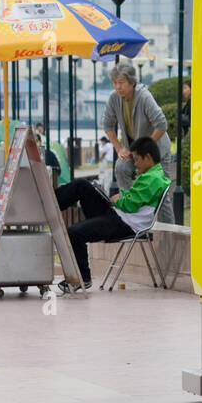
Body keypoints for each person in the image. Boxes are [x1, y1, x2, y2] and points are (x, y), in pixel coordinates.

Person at [52, 136, 169, 292]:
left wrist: (116, 199)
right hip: (116, 216)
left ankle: (82, 278)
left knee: (74, 233)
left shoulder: (153, 179)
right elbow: (134, 200)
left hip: (124, 224)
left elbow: (129, 205)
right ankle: (50, 204)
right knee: (83, 186)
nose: (135, 164)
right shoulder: (153, 176)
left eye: (136, 159)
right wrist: (119, 198)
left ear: (147, 157)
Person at [102, 61, 169, 191]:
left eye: (121, 83)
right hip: (131, 150)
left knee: (159, 194)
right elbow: (107, 125)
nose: (117, 87)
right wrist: (119, 149)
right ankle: (131, 203)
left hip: (156, 149)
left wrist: (144, 147)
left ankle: (152, 209)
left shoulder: (144, 97)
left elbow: (161, 124)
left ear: (131, 82)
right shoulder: (113, 98)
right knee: (121, 168)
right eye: (114, 83)